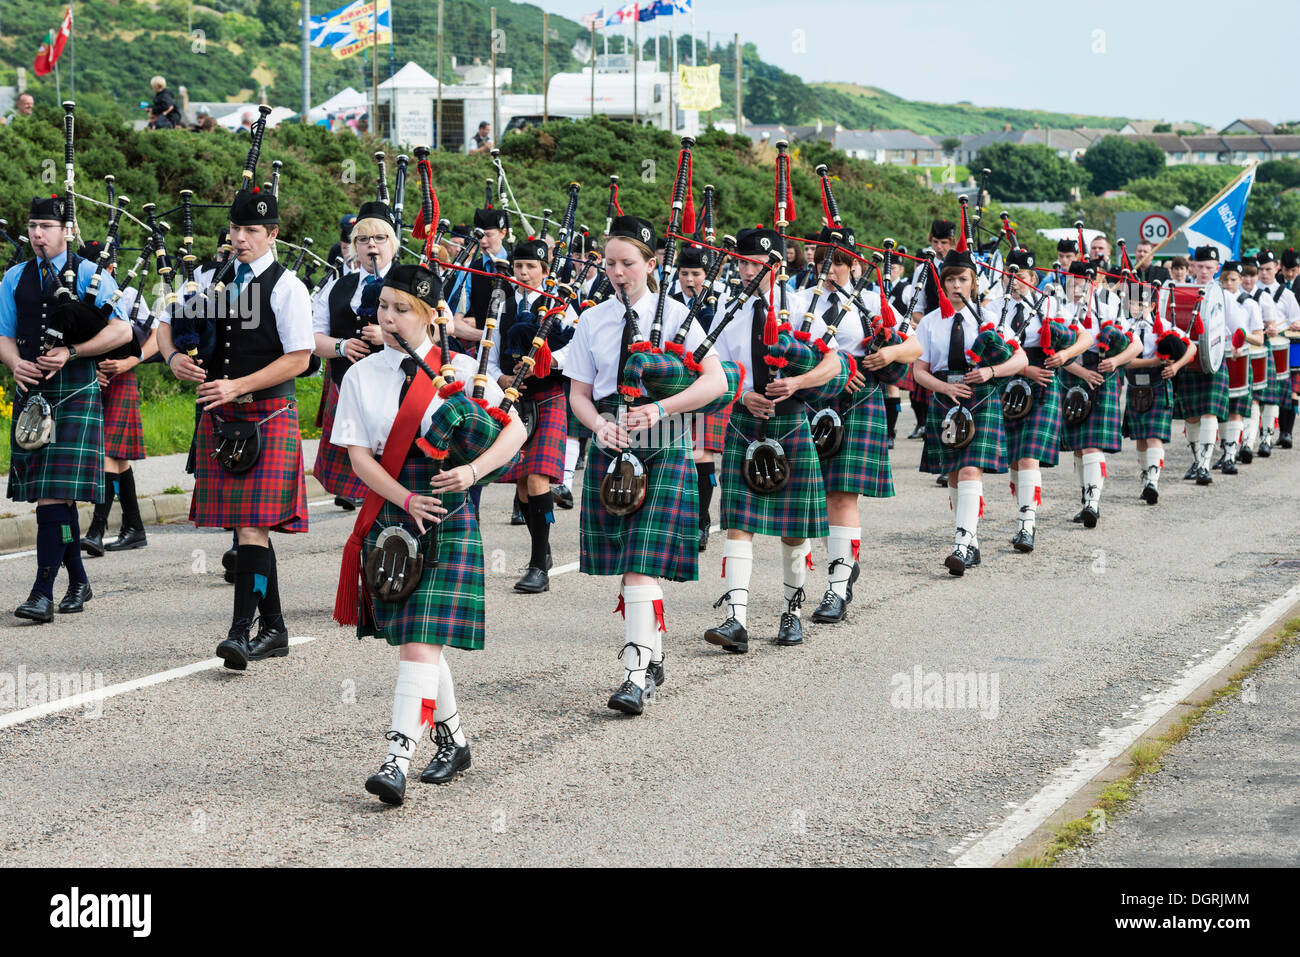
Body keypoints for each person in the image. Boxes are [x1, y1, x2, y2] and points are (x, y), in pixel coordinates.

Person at [331, 264, 526, 806]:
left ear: (429, 316)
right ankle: (455, 740)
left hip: (450, 510)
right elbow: (358, 457)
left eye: (401, 309)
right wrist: (404, 499)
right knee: (418, 638)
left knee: (420, 640)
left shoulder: (465, 368)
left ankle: (396, 758)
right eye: (383, 306)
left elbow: (516, 430)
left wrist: (474, 471)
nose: (388, 317)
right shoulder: (360, 376)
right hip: (396, 507)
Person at [564, 215, 727, 714]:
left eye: (627, 263)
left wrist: (662, 407)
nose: (617, 272)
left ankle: (636, 674)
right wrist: (597, 427)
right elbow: (579, 394)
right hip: (611, 438)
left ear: (651, 264)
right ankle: (652, 655)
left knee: (639, 563)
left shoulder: (678, 314)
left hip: (663, 436)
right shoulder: (592, 320)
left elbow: (716, 383)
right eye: (610, 263)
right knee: (627, 562)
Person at [156, 187, 314, 669]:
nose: (240, 238)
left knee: (251, 527)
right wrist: (174, 357)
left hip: (267, 414)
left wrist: (237, 384)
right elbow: (164, 319)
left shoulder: (289, 288)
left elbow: (300, 358)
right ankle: (276, 629)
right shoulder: (209, 277)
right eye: (235, 229)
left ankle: (240, 633)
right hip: (223, 420)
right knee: (252, 531)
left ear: (272, 235)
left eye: (251, 231)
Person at [705, 226, 841, 650]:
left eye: (754, 263)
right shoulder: (728, 311)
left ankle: (792, 612)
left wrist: (798, 382)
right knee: (738, 523)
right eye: (741, 262)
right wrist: (740, 394)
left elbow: (834, 364)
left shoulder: (803, 306)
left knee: (794, 530)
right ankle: (736, 620)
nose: (745, 270)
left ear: (776, 266)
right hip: (745, 419)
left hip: (791, 419)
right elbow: (714, 370)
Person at [1, 195, 131, 622]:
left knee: (52, 497)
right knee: (53, 497)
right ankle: (77, 579)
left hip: (74, 391)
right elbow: (3, 333)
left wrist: (73, 351)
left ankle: (42, 592)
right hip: (31, 394)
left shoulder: (92, 274)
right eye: (33, 225)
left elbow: (122, 330)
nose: (38, 233)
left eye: (47, 226)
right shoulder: (14, 278)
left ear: (67, 231)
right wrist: (13, 361)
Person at [808, 229, 920, 622]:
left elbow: (914, 347)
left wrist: (887, 351)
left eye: (837, 262)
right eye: (824, 261)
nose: (830, 270)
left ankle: (836, 587)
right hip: (815, 400)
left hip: (857, 402)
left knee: (842, 495)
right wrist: (833, 372)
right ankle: (842, 563)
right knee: (816, 496)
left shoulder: (872, 302)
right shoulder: (803, 301)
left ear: (853, 265)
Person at [912, 247, 1027, 574]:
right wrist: (945, 387)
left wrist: (991, 372)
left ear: (973, 283)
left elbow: (1021, 360)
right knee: (952, 472)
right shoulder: (931, 322)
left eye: (963, 279)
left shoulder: (989, 320)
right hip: (945, 394)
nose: (956, 285)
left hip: (981, 394)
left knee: (968, 469)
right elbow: (919, 370)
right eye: (950, 280)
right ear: (943, 284)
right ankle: (970, 543)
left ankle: (961, 544)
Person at [485, 236, 577, 593]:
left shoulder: (560, 304)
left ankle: (539, 564)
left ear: (544, 270)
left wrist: (548, 361)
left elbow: (578, 349)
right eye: (519, 267)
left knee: (538, 480)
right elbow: (488, 358)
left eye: (531, 267)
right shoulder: (501, 305)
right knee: (523, 486)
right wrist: (503, 378)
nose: (524, 273)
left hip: (548, 396)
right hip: (513, 401)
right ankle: (544, 551)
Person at [997, 249, 1089, 551]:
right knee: (1013, 457)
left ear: (1032, 278)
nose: (1013, 281)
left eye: (1019, 276)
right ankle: (1023, 514)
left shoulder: (1050, 304)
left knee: (1028, 456)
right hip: (1008, 379)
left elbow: (1085, 337)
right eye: (1007, 276)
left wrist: (1065, 354)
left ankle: (1027, 524)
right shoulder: (993, 308)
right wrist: (1024, 369)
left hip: (1043, 384)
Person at [312, 202, 393, 511]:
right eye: (363, 239)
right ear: (353, 246)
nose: (371, 245)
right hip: (350, 389)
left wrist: (387, 337)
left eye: (379, 238)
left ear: (391, 242)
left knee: (399, 469)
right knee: (362, 472)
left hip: (400, 390)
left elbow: (440, 330)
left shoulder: (410, 280)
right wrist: (341, 346)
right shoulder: (337, 287)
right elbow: (312, 337)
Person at [79, 242, 157, 555]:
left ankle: (97, 530)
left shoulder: (129, 296)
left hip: (121, 379)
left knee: (108, 452)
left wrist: (130, 362)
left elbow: (156, 337)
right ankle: (134, 527)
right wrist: (84, 370)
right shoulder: (78, 296)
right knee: (117, 458)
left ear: (110, 269)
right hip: (92, 380)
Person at [1058, 260, 1138, 522]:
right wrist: (1080, 372)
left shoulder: (1110, 305)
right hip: (1073, 373)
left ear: (1093, 283)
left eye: (1081, 282)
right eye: (1072, 282)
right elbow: (1054, 352)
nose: (1076, 287)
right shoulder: (1059, 306)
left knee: (1092, 444)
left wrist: (1115, 361)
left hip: (1103, 374)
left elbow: (1135, 345)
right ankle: (1086, 499)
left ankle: (1093, 501)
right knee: (1079, 446)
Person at [670, 244, 723, 552]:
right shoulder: (671, 304)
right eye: (685, 273)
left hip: (707, 384)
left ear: (707, 275)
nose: (690, 279)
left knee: (702, 453)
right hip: (676, 385)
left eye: (697, 274)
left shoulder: (719, 304)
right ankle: (678, 520)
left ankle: (701, 521)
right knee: (677, 455)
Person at [1122, 274, 1186, 504]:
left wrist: (1176, 366)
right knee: (1140, 438)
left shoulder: (1164, 327)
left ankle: (1153, 481)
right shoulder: (1124, 327)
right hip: (1135, 385)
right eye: (1133, 302)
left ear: (1152, 305)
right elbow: (1125, 362)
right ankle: (1146, 474)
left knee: (1154, 437)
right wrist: (1156, 362)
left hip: (1158, 384)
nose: (1137, 307)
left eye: (1142, 303)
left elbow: (1190, 349)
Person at [1173, 246, 1229, 483]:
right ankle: (1197, 460)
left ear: (1217, 268)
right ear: (1192, 266)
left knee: (1209, 412)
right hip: (1188, 357)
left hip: (1214, 358)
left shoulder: (1224, 293)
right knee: (1191, 416)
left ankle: (1205, 465)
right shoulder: (1181, 291)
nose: (1205, 271)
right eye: (1201, 266)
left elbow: (1234, 327)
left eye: (1210, 267)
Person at [1214, 261, 1264, 474]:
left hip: (1241, 360)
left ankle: (1231, 456)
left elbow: (1260, 339)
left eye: (1233, 279)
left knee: (1236, 410)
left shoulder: (1250, 304)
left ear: (1241, 279)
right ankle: (1224, 453)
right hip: (1218, 359)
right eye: (1224, 279)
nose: (1228, 283)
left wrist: (1243, 336)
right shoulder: (1214, 302)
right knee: (1221, 411)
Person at [1254, 248, 1300, 452]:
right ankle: (1252, 436)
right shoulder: (1249, 291)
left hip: (1288, 345)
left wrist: (1295, 324)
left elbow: (1297, 319)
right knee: (1257, 394)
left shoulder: (1287, 294)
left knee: (1289, 390)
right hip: (1256, 346)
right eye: (1261, 269)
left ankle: (1286, 432)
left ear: (1276, 269)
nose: (1264, 273)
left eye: (1268, 269)